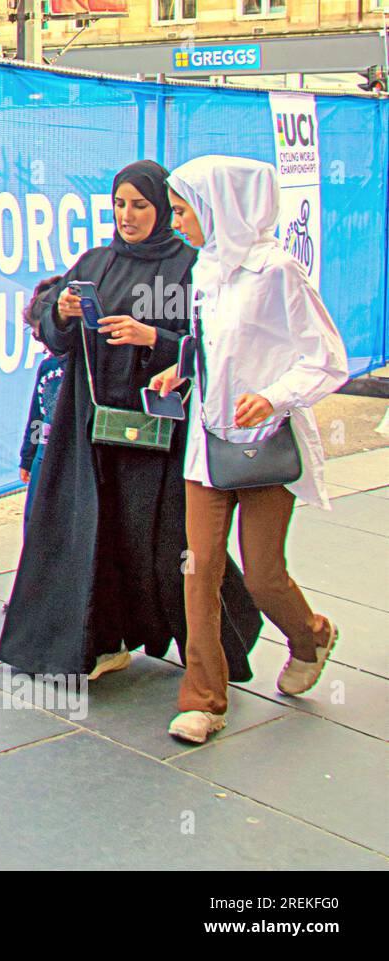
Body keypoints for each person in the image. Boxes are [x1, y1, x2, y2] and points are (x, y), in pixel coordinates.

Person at [0, 160, 261, 683]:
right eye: (119, 204)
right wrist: (63, 312)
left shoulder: (193, 265)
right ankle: (100, 642)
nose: (127, 216)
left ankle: (213, 651)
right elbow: (53, 334)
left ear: (163, 208)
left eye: (140, 205)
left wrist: (153, 340)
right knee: (92, 534)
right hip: (90, 429)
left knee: (164, 542)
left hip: (160, 431)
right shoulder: (96, 260)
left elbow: (213, 347)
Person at [154, 156, 348, 744]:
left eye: (183, 210)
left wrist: (273, 397)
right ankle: (204, 699)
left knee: (264, 575)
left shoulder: (277, 272)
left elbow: (325, 357)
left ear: (220, 208)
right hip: (207, 452)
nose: (177, 222)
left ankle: (310, 635)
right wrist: (183, 371)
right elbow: (215, 347)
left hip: (266, 450)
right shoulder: (205, 268)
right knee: (200, 569)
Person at [18, 274, 66, 536]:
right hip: (43, 456)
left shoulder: (86, 370)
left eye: (43, 336)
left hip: (69, 461)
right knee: (36, 525)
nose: (44, 344)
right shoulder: (48, 367)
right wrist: (28, 455)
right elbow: (36, 414)